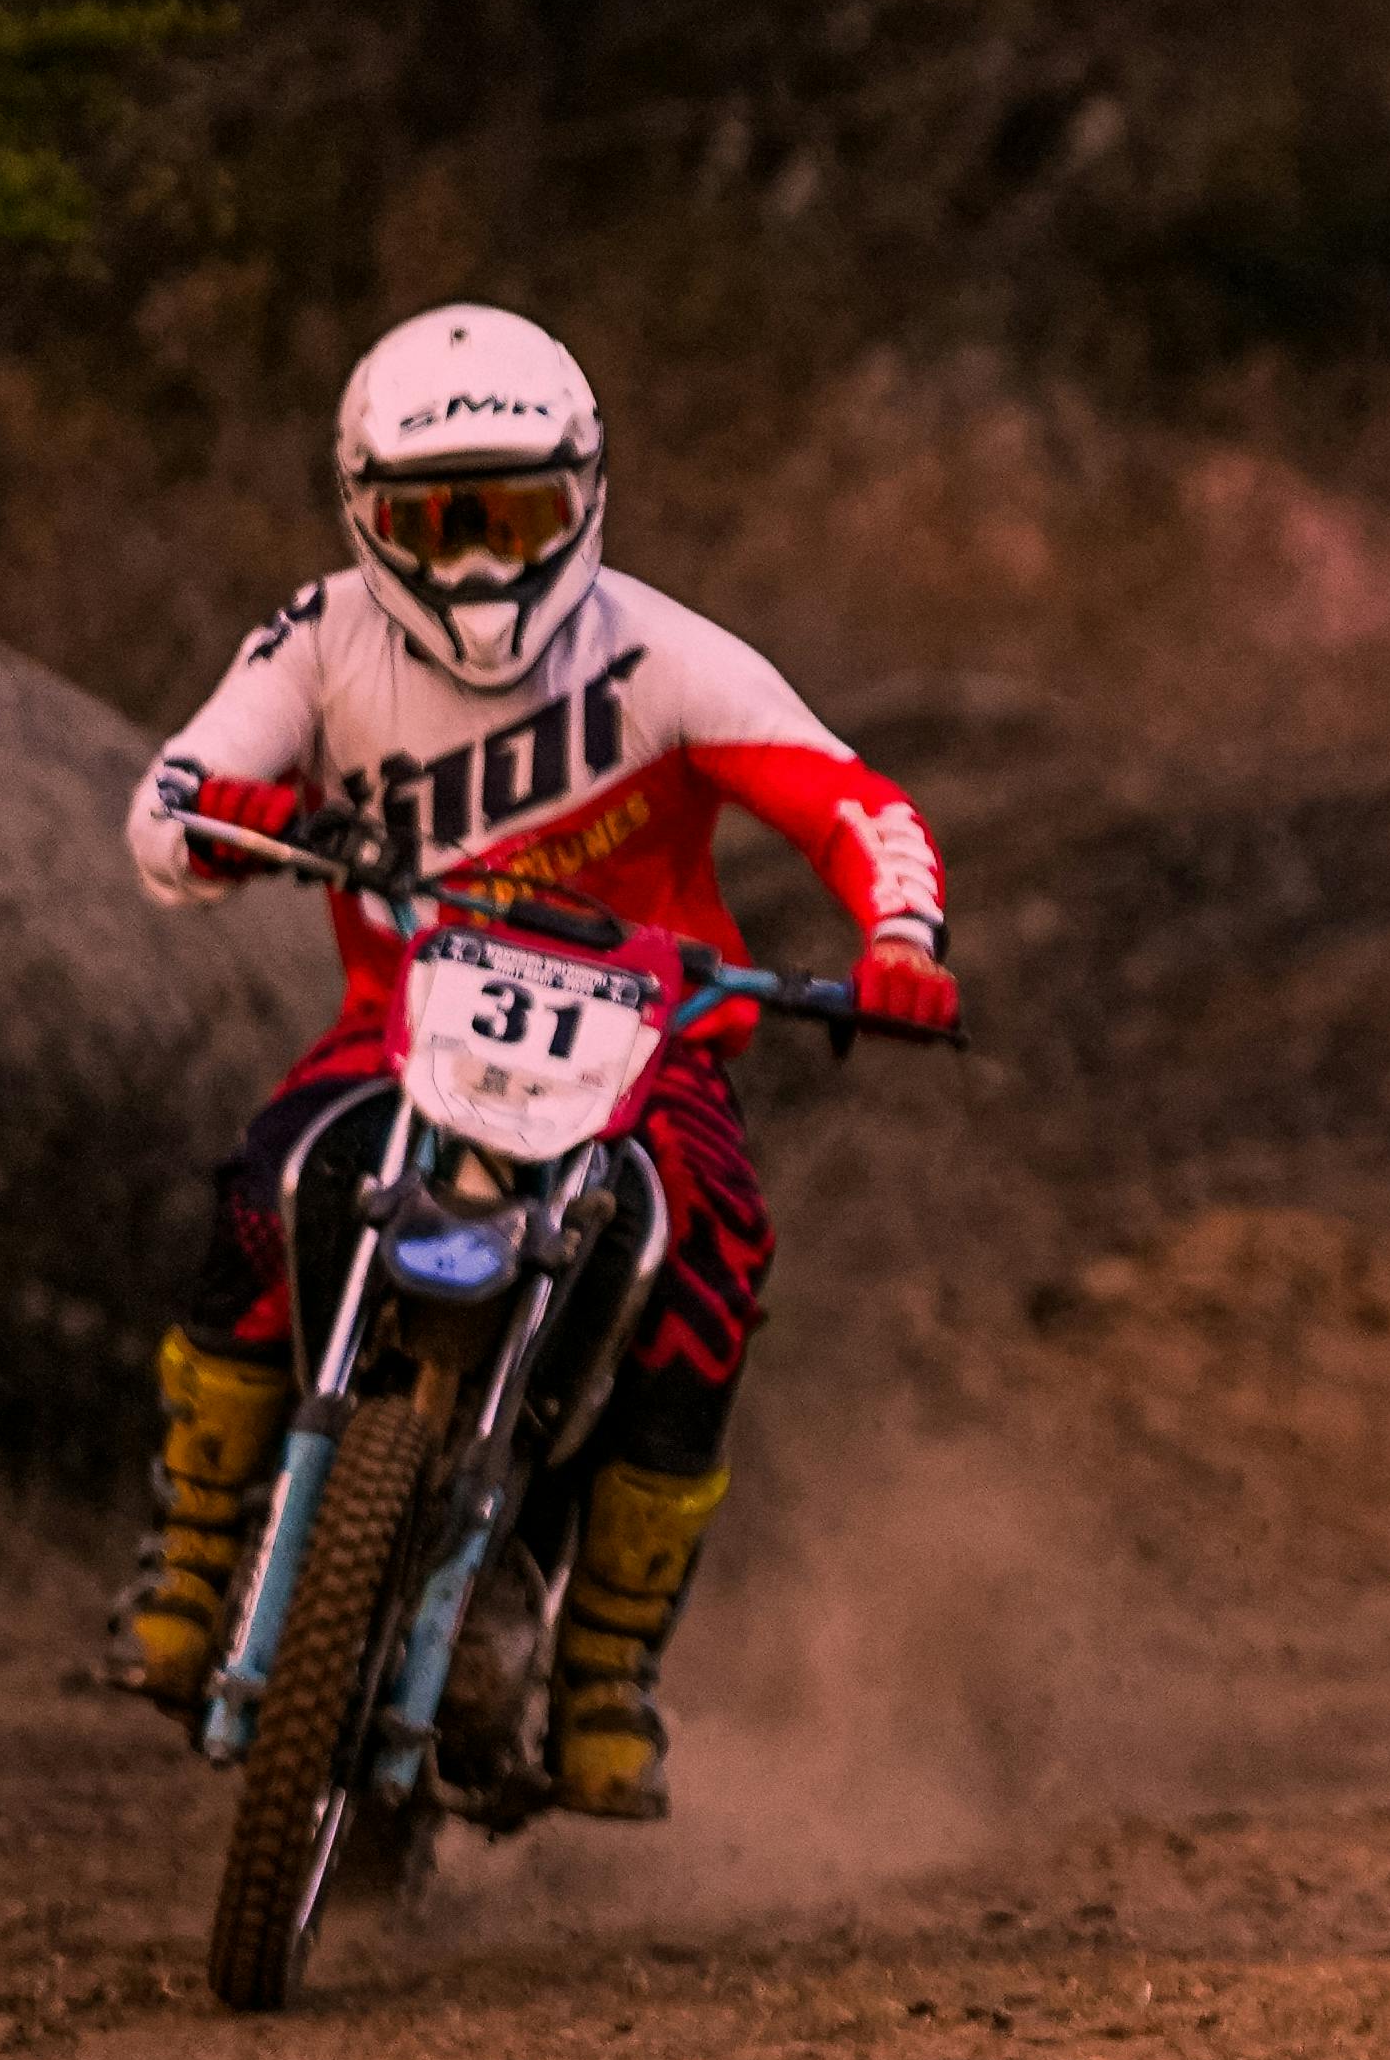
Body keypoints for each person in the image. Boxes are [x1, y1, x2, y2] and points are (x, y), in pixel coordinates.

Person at [96, 306, 961, 1816]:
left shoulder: (664, 651)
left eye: (519, 517)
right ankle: (188, 1554)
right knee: (274, 1178)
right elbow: (172, 795)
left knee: (706, 1259)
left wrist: (900, 937)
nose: (483, 563)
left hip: (646, 1049)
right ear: (370, 516)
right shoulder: (321, 638)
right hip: (404, 1031)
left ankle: (607, 1670)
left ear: (586, 497)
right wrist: (241, 825)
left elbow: (847, 797)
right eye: (442, 523)